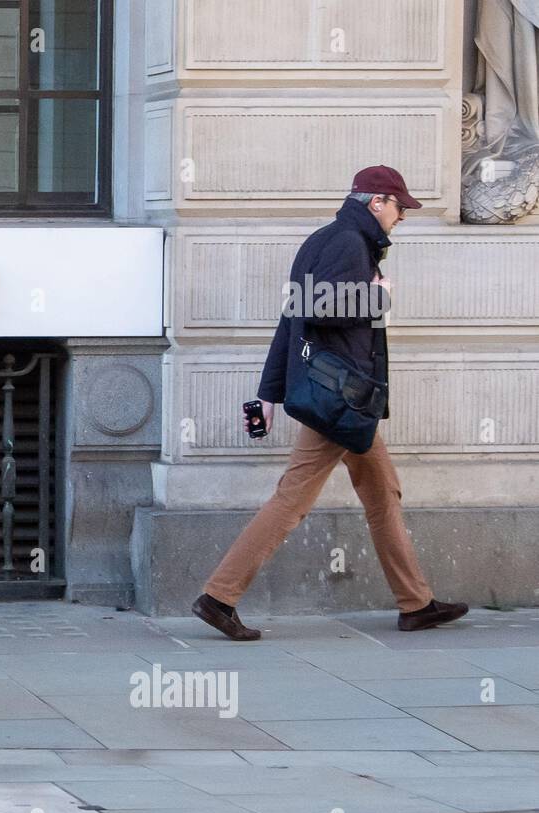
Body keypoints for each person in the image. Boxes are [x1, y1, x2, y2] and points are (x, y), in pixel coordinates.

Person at [191, 165, 469, 641]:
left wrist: (269, 393)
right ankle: (220, 596)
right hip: (339, 399)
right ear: (376, 201)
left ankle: (416, 603)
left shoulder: (325, 239)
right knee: (292, 500)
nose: (402, 217)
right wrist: (375, 297)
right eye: (400, 207)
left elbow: (291, 321)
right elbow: (320, 310)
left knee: (383, 494)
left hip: (342, 396)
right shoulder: (348, 243)